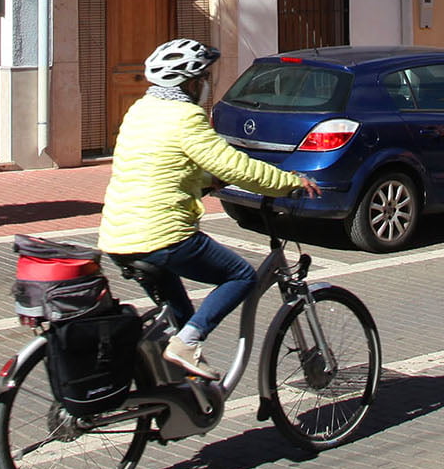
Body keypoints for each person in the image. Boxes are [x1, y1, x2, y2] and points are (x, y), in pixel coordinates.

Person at [99, 37, 318, 379]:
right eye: (202, 78)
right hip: (163, 236)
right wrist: (287, 181)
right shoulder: (185, 116)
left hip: (118, 238)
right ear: (189, 82)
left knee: (181, 317)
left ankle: (171, 391)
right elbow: (235, 166)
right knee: (240, 276)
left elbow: (159, 164)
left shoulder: (139, 110)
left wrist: (204, 180)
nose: (205, 86)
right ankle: (186, 345)